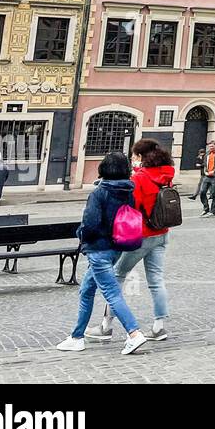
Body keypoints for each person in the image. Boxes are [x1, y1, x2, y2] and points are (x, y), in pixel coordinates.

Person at [55, 151, 148, 355]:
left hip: (99, 250)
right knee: (86, 290)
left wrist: (81, 235)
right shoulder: (128, 191)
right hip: (116, 247)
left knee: (112, 293)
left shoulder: (99, 193)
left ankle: (134, 333)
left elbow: (90, 224)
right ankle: (77, 337)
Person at [95, 140, 173, 343]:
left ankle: (106, 325)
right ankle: (159, 327)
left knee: (117, 276)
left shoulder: (140, 178)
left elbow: (130, 205)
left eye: (133, 156)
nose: (132, 160)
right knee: (156, 280)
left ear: (140, 157)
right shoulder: (166, 175)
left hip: (142, 234)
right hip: (162, 232)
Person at [199, 140, 215, 217]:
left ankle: (213, 211)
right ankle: (206, 208)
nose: (211, 148)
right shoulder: (207, 154)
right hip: (207, 176)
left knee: (214, 194)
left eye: (212, 146)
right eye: (210, 146)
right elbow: (205, 164)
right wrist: (205, 171)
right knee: (202, 192)